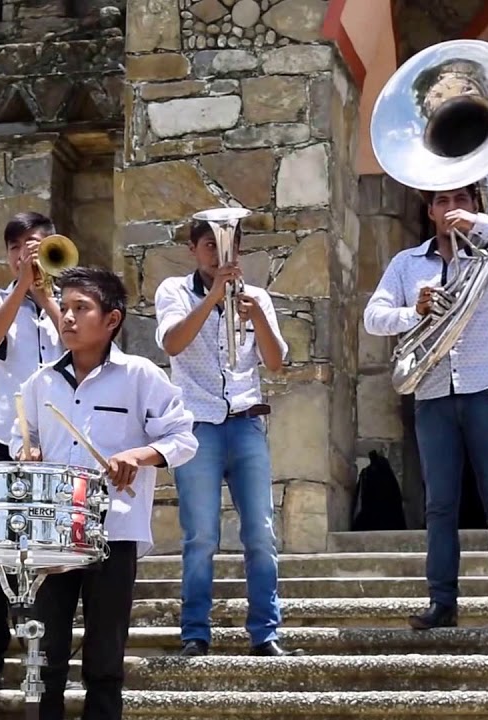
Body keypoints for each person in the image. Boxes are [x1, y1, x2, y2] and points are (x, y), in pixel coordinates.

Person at [11, 265, 197, 720]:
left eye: (81, 308)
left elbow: (183, 437)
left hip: (113, 530)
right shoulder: (39, 382)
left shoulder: (141, 375)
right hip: (51, 532)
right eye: (65, 308)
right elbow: (25, 435)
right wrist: (26, 451)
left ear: (111, 320)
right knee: (45, 653)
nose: (68, 318)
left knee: (105, 656)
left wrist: (141, 454)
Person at [362, 185, 488, 630]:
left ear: (476, 206)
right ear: (430, 212)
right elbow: (373, 317)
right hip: (433, 393)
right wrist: (413, 313)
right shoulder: (406, 264)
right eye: (443, 202)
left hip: (486, 387)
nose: (452, 208)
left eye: (462, 200)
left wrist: (482, 227)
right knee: (440, 503)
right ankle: (443, 602)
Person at [153, 218, 301, 657]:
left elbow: (275, 362)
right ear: (193, 249)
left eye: (230, 246)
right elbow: (173, 344)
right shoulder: (173, 292)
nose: (220, 255)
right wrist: (214, 296)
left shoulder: (258, 298)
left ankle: (265, 633)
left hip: (246, 422)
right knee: (201, 536)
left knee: (260, 532)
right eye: (210, 246)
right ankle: (195, 633)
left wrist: (260, 319)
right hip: (197, 425)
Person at [0, 211, 66, 691]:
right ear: (8, 255)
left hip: (57, 444)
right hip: (5, 440)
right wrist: (22, 287)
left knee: (56, 554)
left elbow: (79, 345)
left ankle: (51, 655)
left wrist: (45, 294)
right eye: (21, 245)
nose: (31, 251)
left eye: (40, 244)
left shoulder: (69, 300)